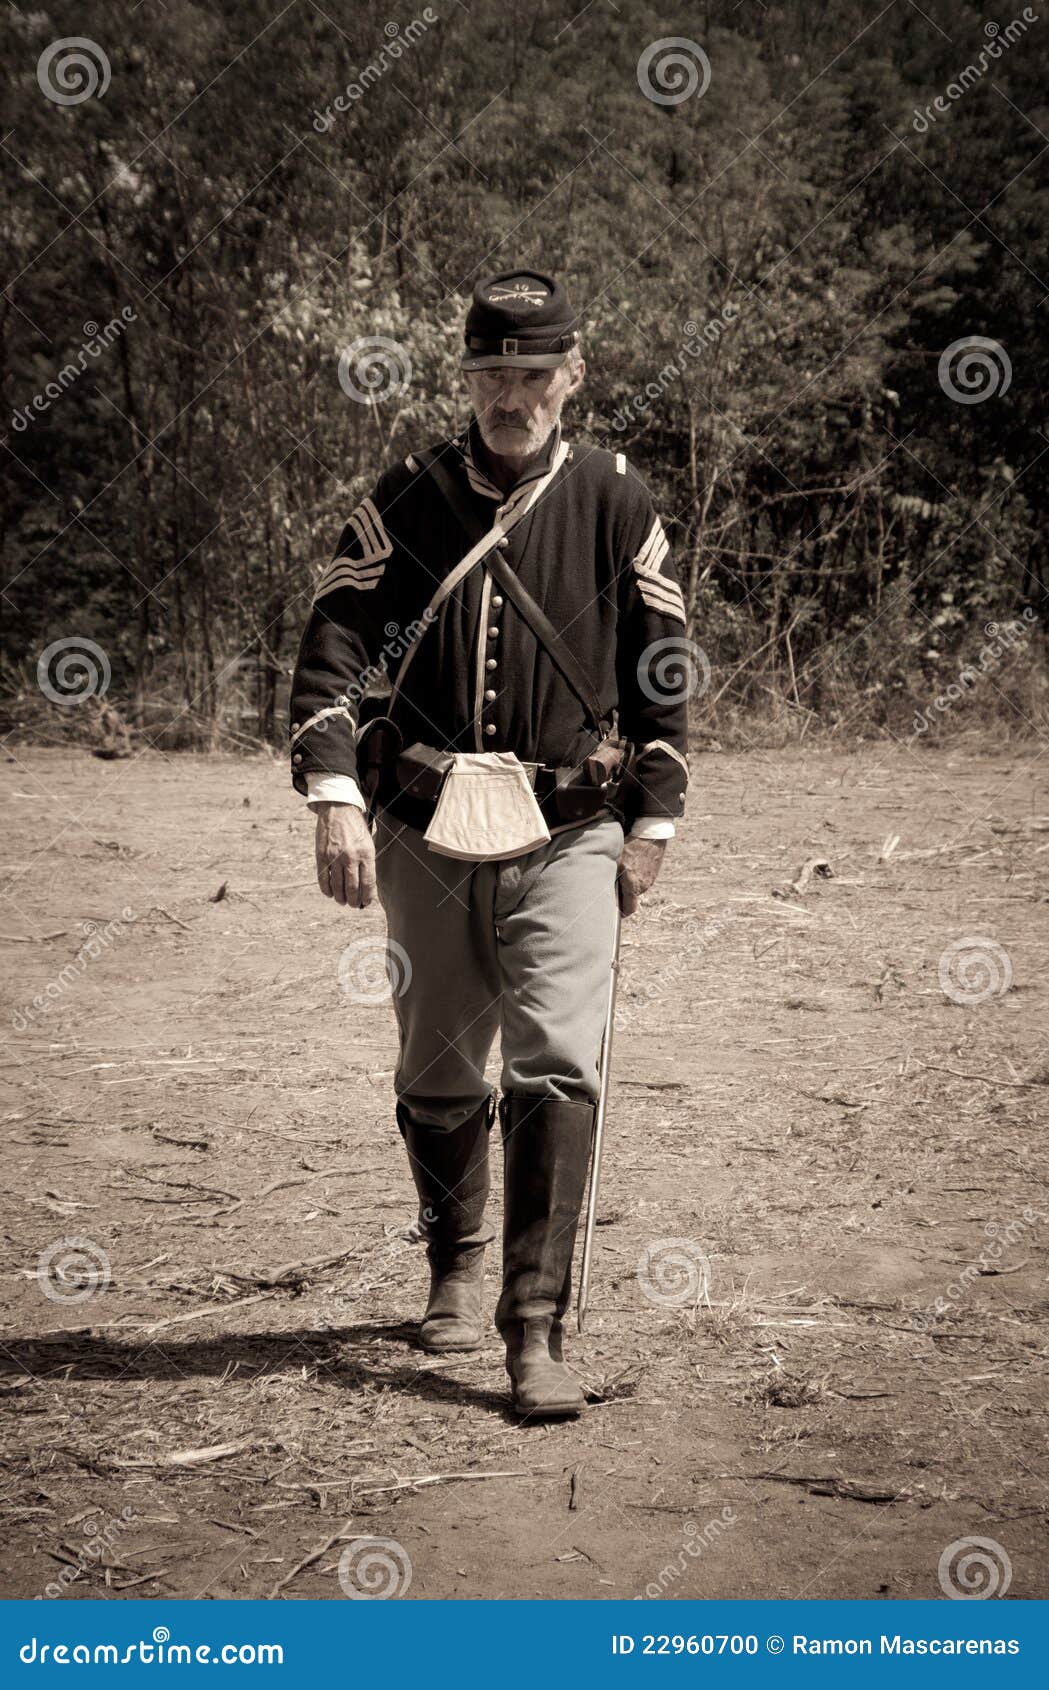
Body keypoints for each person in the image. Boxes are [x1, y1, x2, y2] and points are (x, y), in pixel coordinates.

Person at [290, 269, 689, 1418]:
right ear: (464, 378)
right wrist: (332, 792)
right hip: (420, 826)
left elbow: (663, 667)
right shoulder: (405, 496)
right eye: (490, 375)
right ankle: (451, 1264)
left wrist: (652, 819)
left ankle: (534, 1325)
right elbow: (329, 650)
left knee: (557, 1058)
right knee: (433, 1066)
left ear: (573, 377)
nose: (510, 397)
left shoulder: (616, 497)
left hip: (571, 827)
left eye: (531, 375)